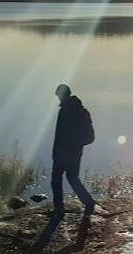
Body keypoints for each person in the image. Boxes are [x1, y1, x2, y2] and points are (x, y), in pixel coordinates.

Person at [51, 83, 96, 219]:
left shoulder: (66, 111)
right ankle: (88, 202)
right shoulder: (80, 110)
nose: (58, 98)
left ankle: (59, 209)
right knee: (72, 178)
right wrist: (76, 146)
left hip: (64, 152)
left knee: (57, 179)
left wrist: (58, 152)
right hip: (75, 152)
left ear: (62, 96)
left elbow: (60, 135)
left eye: (58, 96)